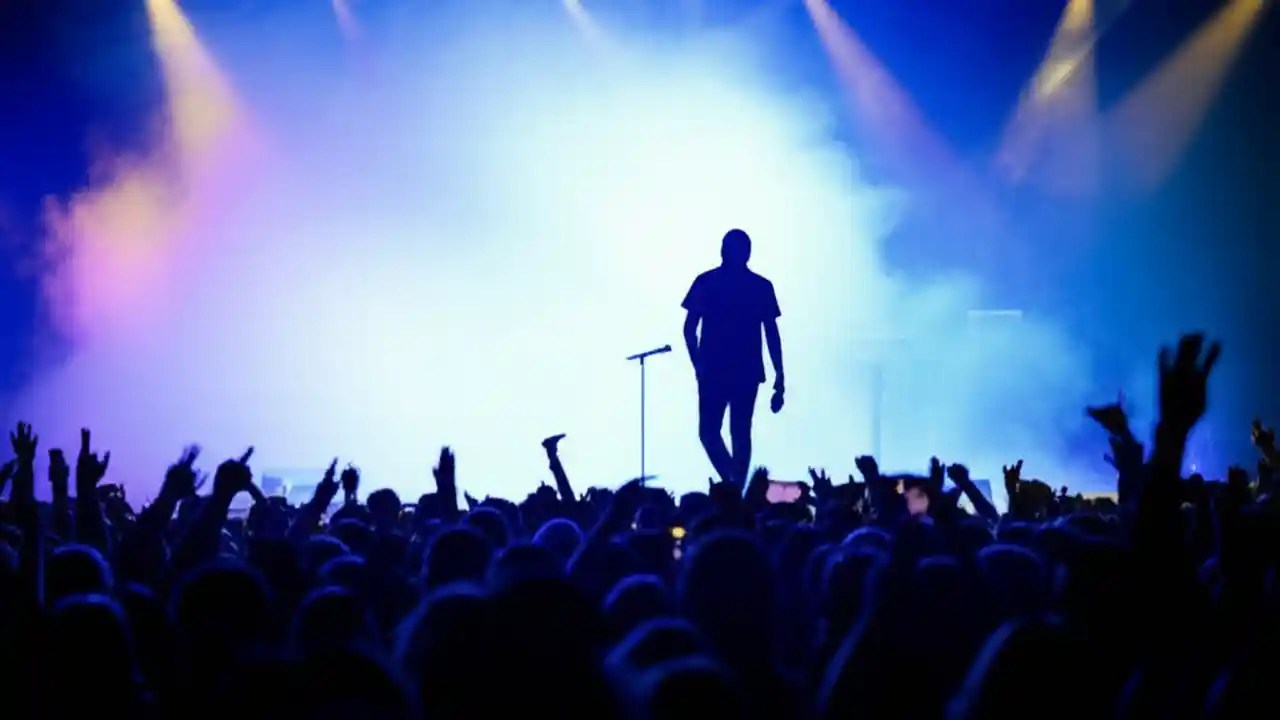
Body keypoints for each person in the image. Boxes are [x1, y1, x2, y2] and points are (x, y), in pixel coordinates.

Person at [682, 229, 784, 488]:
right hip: (722, 369)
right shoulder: (710, 282)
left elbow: (771, 332)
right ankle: (735, 485)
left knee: (731, 432)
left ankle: (734, 486)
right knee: (722, 433)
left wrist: (780, 374)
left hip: (733, 370)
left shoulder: (757, 286)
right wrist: (698, 363)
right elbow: (689, 328)